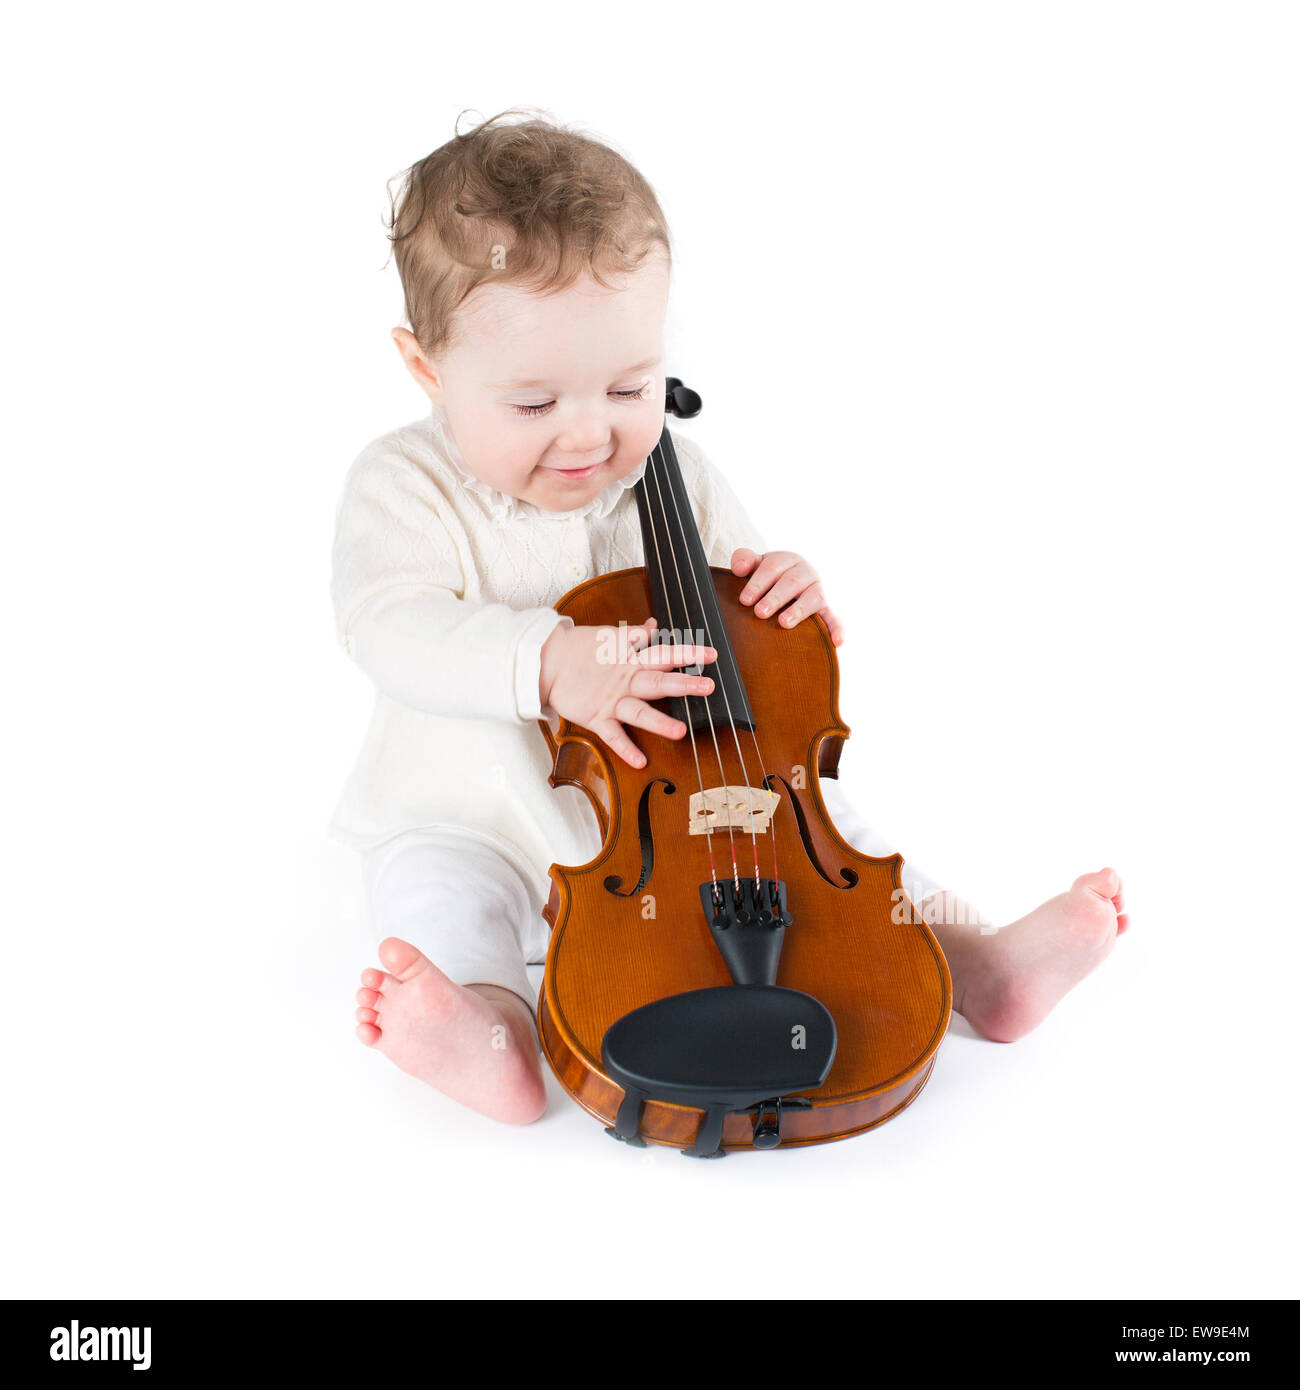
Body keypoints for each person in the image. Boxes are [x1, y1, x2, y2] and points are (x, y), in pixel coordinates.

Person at [332, 110, 1128, 1127]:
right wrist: (548, 660)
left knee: (838, 837)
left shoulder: (675, 473)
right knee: (434, 890)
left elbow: (742, 615)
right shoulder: (402, 484)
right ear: (427, 369)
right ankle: (488, 1032)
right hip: (469, 804)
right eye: (533, 403)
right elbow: (386, 626)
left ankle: (975, 963)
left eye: (629, 385)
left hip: (684, 803)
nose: (590, 430)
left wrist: (784, 593)